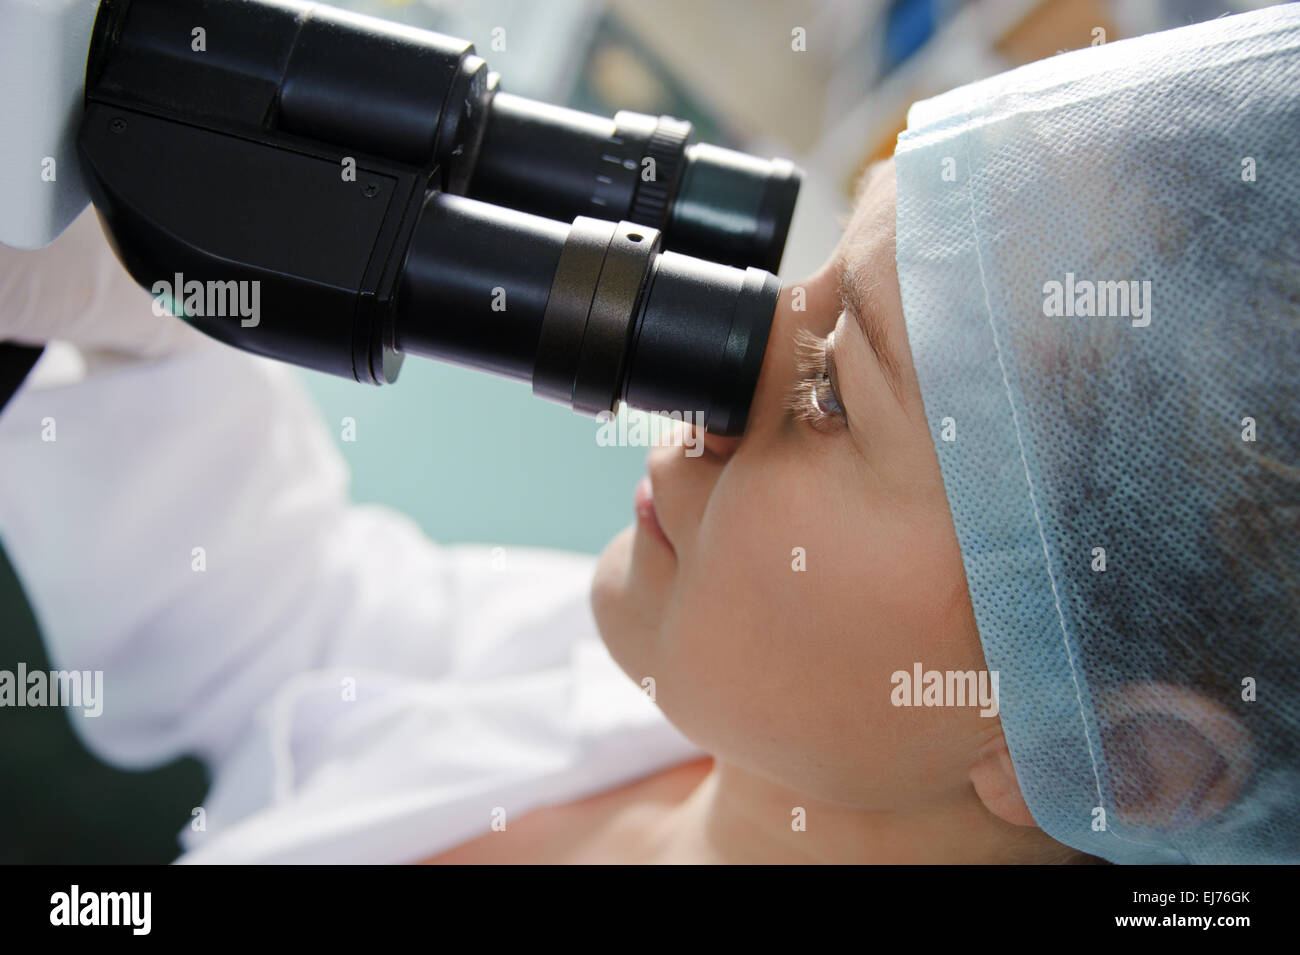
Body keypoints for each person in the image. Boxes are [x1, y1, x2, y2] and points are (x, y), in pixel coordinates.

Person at [0, 4, 1296, 864]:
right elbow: (295, 653)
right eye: (819, 273)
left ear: (1121, 758)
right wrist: (129, 322)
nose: (699, 394)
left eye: (838, 393)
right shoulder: (670, 729)